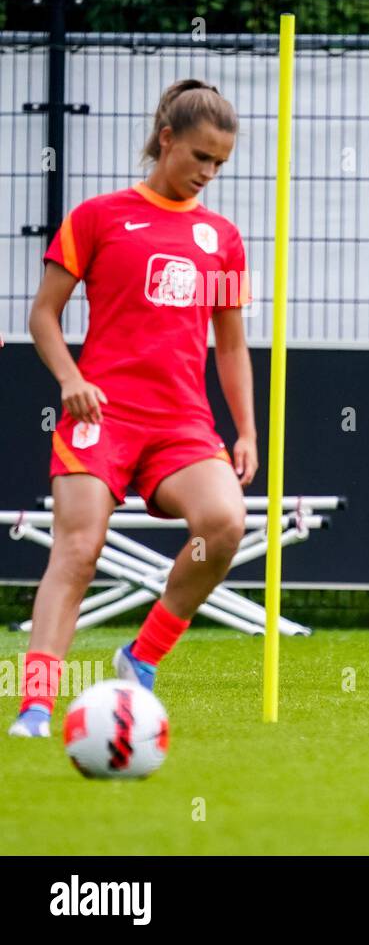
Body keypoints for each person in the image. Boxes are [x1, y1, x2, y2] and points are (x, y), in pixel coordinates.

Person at [11, 80, 256, 737]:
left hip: (182, 425)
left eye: (219, 163)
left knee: (225, 524)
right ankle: (35, 704)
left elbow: (231, 346)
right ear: (167, 139)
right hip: (101, 419)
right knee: (78, 549)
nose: (207, 173)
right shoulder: (98, 216)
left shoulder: (224, 240)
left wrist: (246, 431)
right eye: (199, 156)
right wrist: (69, 380)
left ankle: (141, 657)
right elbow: (42, 316)